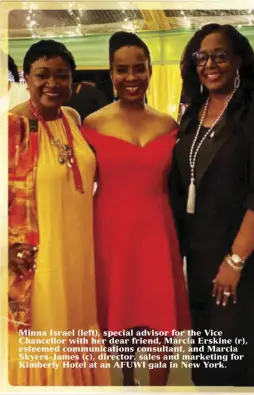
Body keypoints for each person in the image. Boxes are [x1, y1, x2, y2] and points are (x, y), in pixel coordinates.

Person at [82, 31, 191, 387]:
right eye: (122, 70)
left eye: (139, 69)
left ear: (150, 71)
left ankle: (158, 388)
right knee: (122, 314)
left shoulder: (169, 124)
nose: (131, 78)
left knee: (159, 319)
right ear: (111, 73)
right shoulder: (92, 124)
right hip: (111, 231)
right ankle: (127, 381)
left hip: (158, 230)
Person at [8, 39, 111, 386]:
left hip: (78, 254)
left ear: (73, 80)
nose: (52, 83)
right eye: (42, 75)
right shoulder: (12, 127)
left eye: (62, 76)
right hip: (39, 256)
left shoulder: (71, 117)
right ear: (26, 77)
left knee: (77, 322)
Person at [168, 23, 254, 386]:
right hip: (201, 254)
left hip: (240, 255)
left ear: (238, 60)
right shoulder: (194, 111)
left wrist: (235, 261)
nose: (210, 64)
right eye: (201, 57)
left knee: (235, 354)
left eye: (220, 56)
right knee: (206, 358)